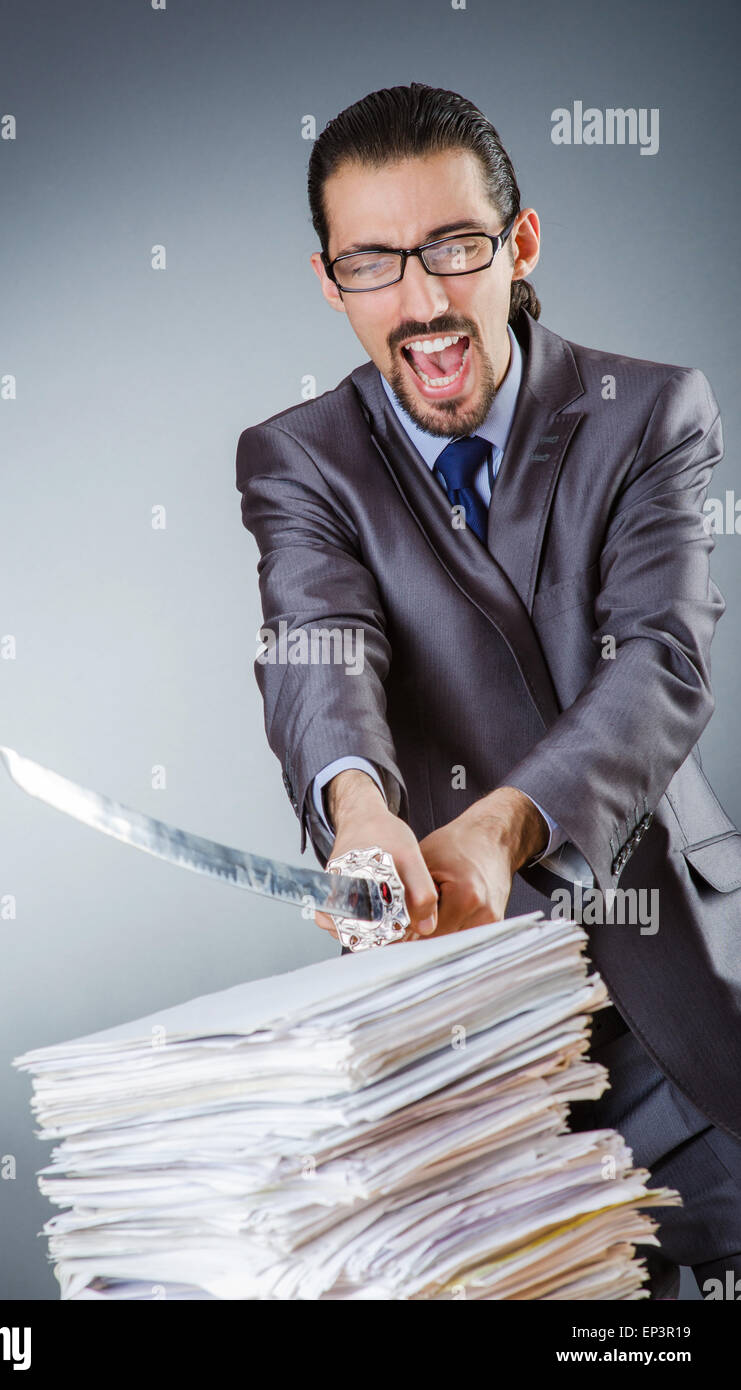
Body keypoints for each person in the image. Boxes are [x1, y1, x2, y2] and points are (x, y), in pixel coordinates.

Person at [235, 82, 741, 1299]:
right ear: (330, 282)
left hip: (684, 988)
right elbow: (321, 645)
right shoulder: (299, 460)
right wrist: (360, 812)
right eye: (373, 264)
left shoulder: (648, 413)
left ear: (518, 243)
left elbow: (660, 665)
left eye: (455, 249)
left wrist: (500, 829)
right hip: (473, 1032)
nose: (422, 301)